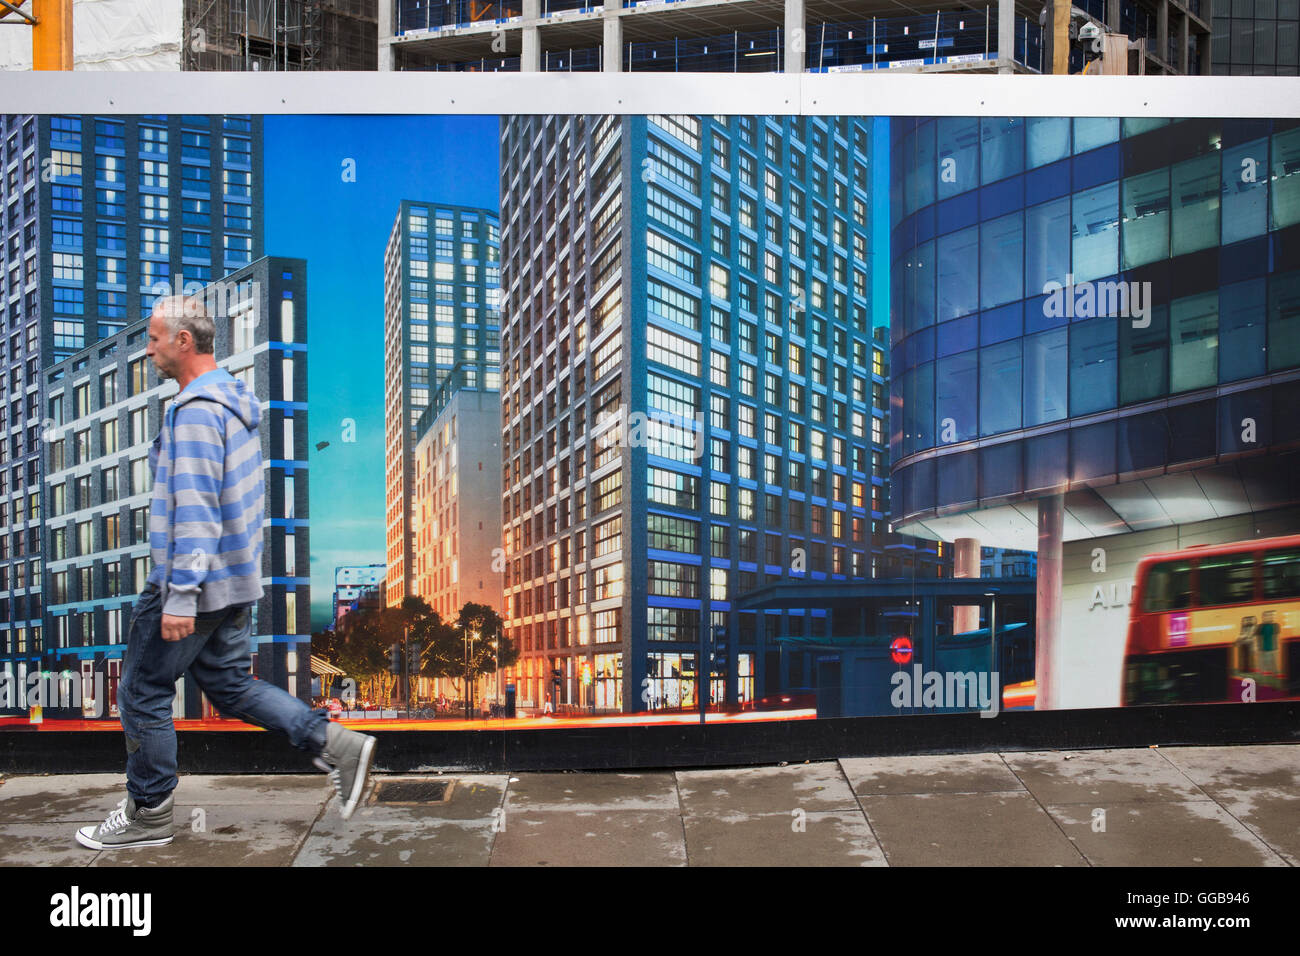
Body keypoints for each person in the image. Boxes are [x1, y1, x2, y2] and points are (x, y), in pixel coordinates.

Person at [76, 296, 376, 850]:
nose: (149, 350)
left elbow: (195, 510)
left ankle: (148, 811)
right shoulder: (234, 404)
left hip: (195, 584)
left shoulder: (194, 412)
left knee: (142, 689)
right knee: (232, 687)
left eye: (155, 338)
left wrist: (180, 597)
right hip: (235, 582)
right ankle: (336, 744)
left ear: (184, 342)